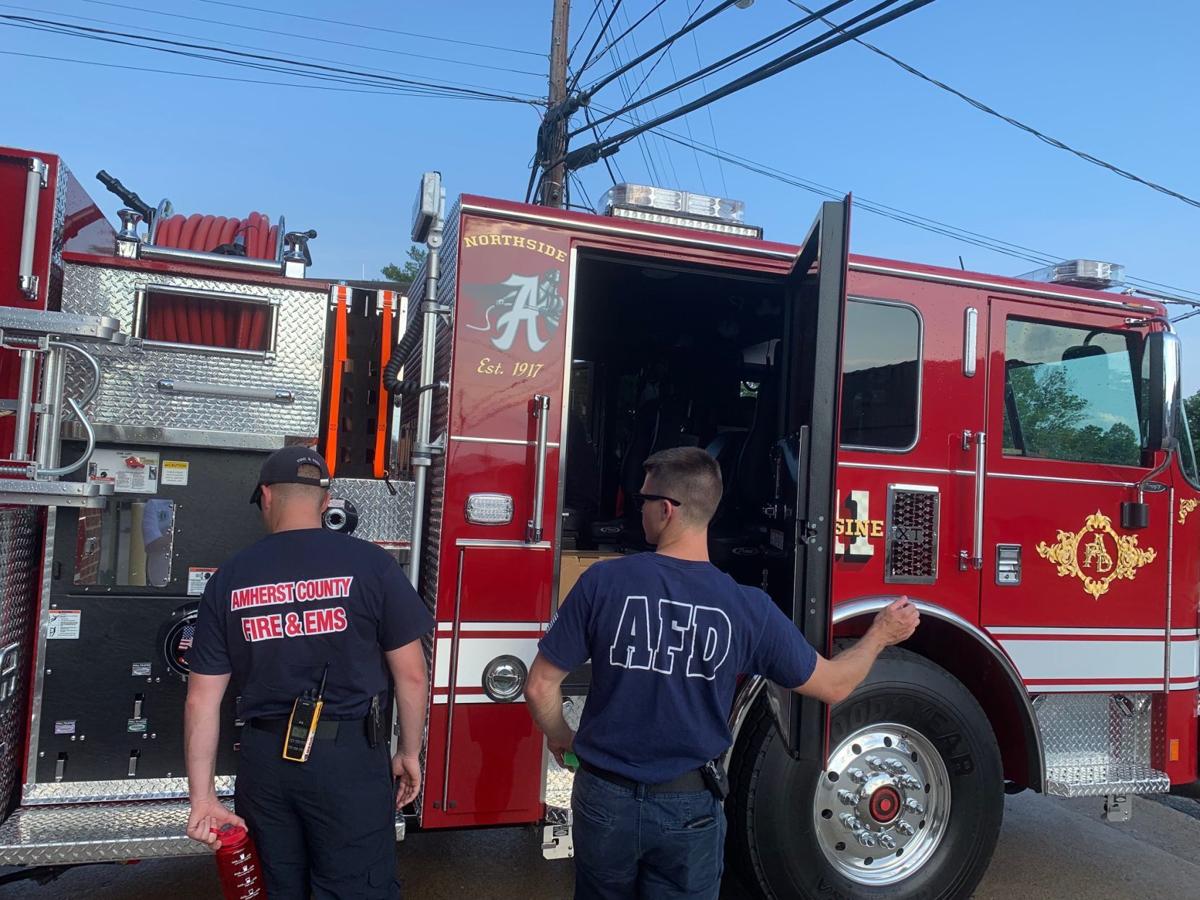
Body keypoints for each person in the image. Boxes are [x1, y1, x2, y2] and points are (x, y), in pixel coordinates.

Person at [526, 447, 919, 900]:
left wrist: (562, 737)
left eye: (642, 501)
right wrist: (880, 634)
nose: (640, 511)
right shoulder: (747, 608)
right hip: (688, 806)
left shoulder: (604, 582)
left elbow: (540, 686)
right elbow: (834, 685)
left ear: (666, 510)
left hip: (604, 799)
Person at [184, 446, 434, 899]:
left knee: (278, 887)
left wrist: (202, 798)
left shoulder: (229, 579)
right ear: (325, 500)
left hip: (264, 764)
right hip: (350, 760)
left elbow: (202, 699)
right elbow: (412, 676)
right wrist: (409, 752)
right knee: (356, 888)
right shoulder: (372, 564)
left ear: (265, 496)